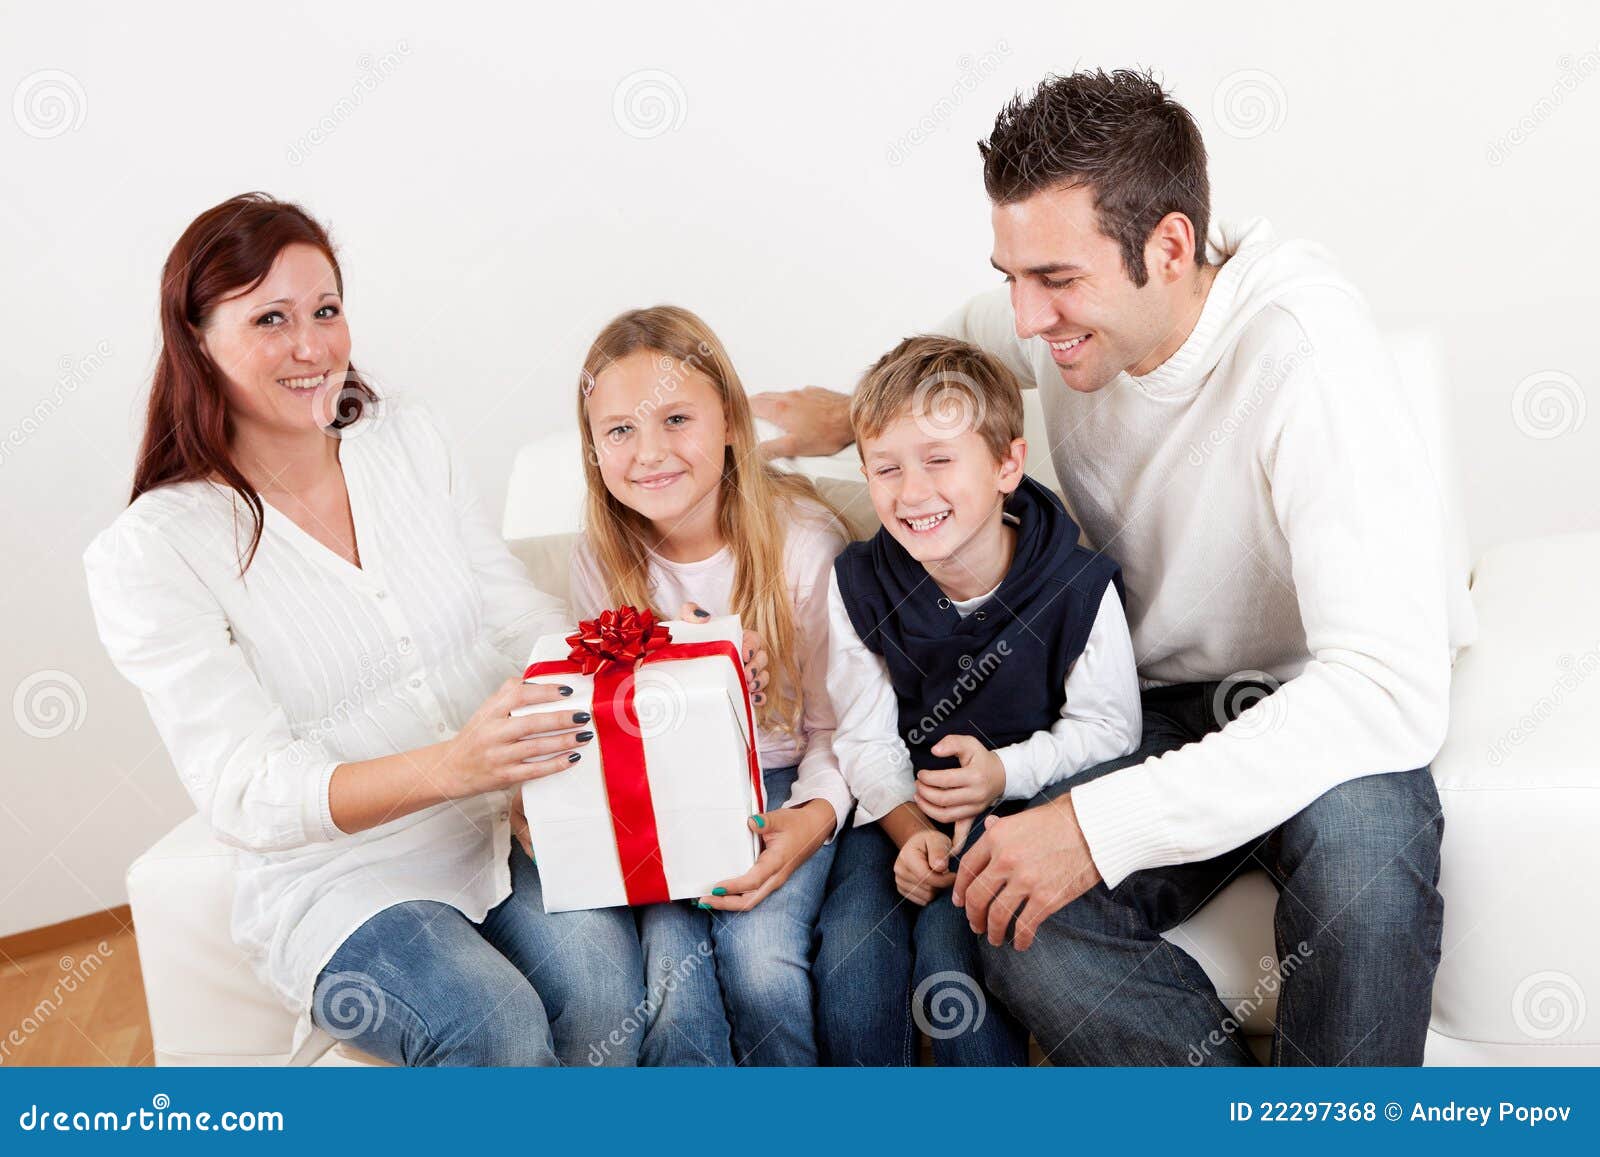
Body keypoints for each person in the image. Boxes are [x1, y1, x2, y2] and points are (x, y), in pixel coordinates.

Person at [751, 70, 1472, 1065]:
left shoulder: (1304, 355)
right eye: (1010, 275)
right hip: (1155, 701)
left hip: (1321, 695)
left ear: (1168, 246)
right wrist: (851, 418)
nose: (1028, 313)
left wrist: (1096, 823)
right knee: (1010, 907)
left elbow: (1384, 687)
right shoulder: (1048, 320)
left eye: (1053, 278)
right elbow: (957, 358)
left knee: (1366, 865)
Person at [87, 193, 684, 1066]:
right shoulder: (154, 549)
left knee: (604, 993)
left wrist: (550, 749)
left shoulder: (408, 441)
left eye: (326, 310)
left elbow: (512, 611)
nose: (312, 346)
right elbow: (247, 790)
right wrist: (455, 763)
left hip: (493, 824)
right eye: (271, 319)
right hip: (342, 883)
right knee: (494, 1024)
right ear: (198, 339)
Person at [815, 335, 1141, 1065]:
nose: (911, 492)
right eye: (886, 468)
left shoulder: (1078, 584)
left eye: (938, 460)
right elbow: (863, 738)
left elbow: (1113, 727)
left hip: (1027, 806)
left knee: (952, 964)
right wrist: (909, 833)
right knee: (851, 965)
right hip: (899, 808)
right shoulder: (857, 582)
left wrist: (1003, 773)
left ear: (1006, 465)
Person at [563, 305, 852, 1065]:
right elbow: (609, 734)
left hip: (789, 784)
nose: (649, 452)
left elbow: (838, 728)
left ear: (729, 420)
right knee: (670, 977)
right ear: (593, 450)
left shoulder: (804, 544)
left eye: (676, 419)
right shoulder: (601, 560)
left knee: (761, 966)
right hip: (668, 797)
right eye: (619, 429)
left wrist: (813, 819)